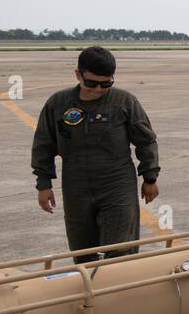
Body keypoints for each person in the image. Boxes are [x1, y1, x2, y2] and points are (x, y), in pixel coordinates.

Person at [31, 46, 160, 263]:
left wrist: (150, 178)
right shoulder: (58, 104)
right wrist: (43, 184)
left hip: (116, 182)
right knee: (82, 251)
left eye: (106, 83)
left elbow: (146, 141)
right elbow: (44, 144)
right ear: (78, 75)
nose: (99, 89)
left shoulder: (124, 102)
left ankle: (120, 292)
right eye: (91, 83)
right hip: (76, 184)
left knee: (120, 249)